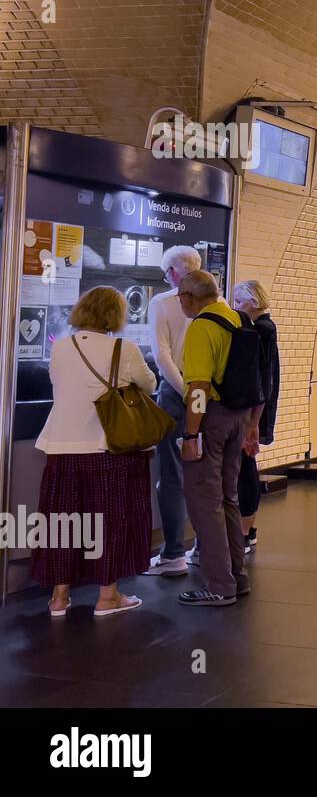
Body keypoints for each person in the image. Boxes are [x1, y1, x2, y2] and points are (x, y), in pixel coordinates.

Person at [33, 287, 157, 616]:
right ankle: (107, 596)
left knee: (62, 521)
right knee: (111, 520)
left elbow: (57, 383)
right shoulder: (124, 349)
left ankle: (59, 598)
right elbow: (149, 384)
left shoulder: (61, 347)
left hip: (60, 448)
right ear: (116, 315)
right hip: (107, 449)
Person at [176, 270, 260, 606]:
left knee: (203, 500)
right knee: (227, 498)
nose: (179, 300)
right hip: (238, 417)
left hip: (210, 419)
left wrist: (190, 433)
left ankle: (218, 585)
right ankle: (236, 578)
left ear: (192, 297)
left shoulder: (201, 326)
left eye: (181, 294)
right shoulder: (237, 318)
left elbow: (199, 387)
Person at [142, 244, 201, 578]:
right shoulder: (219, 305)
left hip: (175, 395)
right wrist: (201, 397)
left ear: (175, 273)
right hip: (209, 397)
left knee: (172, 476)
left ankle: (173, 553)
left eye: (166, 274)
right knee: (206, 475)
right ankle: (203, 550)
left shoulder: (161, 302)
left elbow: (161, 356)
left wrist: (185, 393)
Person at [231, 280, 279, 554]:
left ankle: (244, 532)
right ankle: (247, 529)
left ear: (251, 301)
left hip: (252, 411)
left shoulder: (258, 331)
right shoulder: (267, 328)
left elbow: (260, 380)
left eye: (238, 302)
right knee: (247, 467)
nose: (235, 308)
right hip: (257, 410)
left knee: (246, 468)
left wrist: (252, 423)